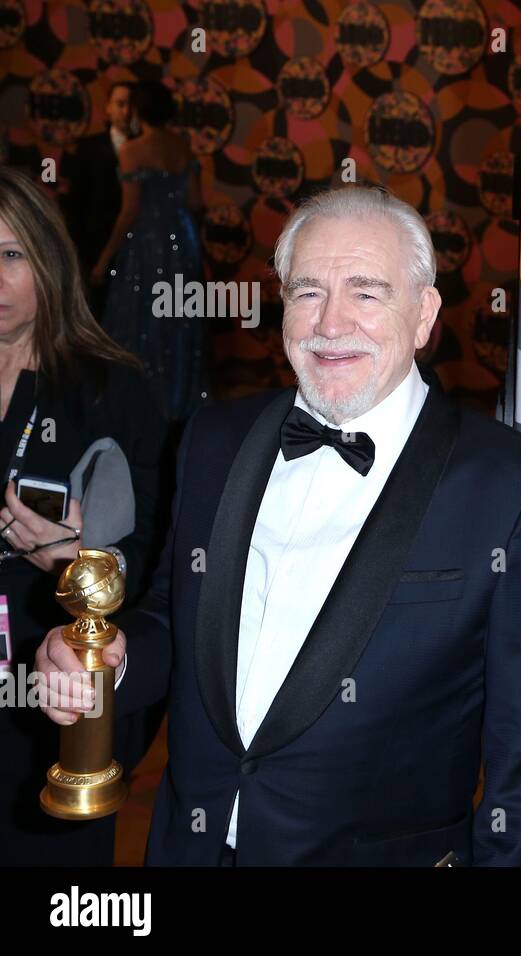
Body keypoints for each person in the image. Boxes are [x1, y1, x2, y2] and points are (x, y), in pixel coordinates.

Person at [36, 186, 521, 866]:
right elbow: (175, 621)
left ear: (424, 315)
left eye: (367, 292)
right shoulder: (213, 439)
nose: (330, 323)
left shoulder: (515, 489)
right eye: (307, 292)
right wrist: (104, 664)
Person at [0, 165, 166, 865]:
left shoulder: (112, 388)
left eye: (9, 257)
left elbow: (157, 559)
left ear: (49, 259)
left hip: (52, 689)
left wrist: (78, 562)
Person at [94, 79, 205, 421]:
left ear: (139, 111)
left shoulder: (131, 151)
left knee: (141, 323)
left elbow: (129, 212)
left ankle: (138, 408)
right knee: (177, 321)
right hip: (183, 244)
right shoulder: (183, 147)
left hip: (147, 248)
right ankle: (175, 402)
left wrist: (102, 260)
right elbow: (195, 202)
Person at [59, 80, 135, 320]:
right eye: (120, 104)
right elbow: (76, 201)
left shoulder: (148, 148)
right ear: (108, 108)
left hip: (135, 245)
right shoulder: (89, 147)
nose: (127, 111)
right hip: (94, 244)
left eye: (131, 105)